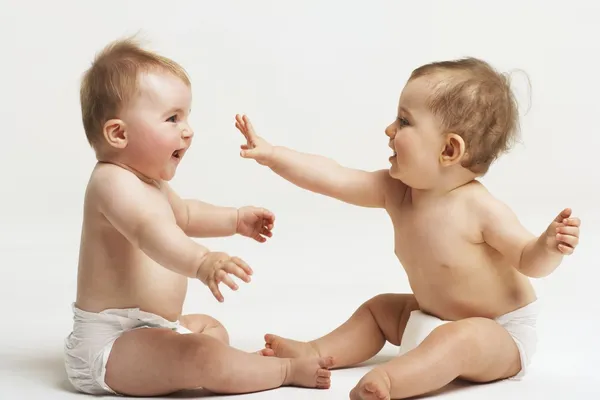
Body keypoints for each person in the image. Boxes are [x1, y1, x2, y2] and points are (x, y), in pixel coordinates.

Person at [234, 57, 581, 400]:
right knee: (380, 310)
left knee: (458, 339)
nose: (389, 130)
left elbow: (528, 260)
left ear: (448, 149)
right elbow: (334, 177)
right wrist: (273, 154)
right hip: (431, 315)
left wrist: (548, 247)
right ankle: (315, 351)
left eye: (404, 121)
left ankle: (390, 380)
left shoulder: (480, 209)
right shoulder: (395, 191)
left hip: (498, 334)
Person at [63, 37, 333, 397]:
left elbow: (186, 214)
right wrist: (201, 260)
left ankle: (231, 367)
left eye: (187, 116)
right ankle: (281, 370)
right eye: (172, 118)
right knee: (202, 353)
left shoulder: (151, 184)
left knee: (210, 329)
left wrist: (235, 220)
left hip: (158, 330)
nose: (187, 130)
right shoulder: (110, 183)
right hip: (112, 345)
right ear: (119, 133)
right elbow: (150, 232)